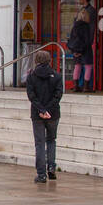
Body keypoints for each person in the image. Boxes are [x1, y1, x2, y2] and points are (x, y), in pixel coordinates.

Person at [25, 49, 63, 184]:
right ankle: (51, 167)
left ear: (36, 61)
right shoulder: (57, 76)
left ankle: (41, 174)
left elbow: (31, 96)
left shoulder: (31, 76)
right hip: (53, 114)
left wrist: (41, 109)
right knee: (51, 140)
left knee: (39, 144)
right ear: (49, 61)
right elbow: (58, 95)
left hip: (37, 114)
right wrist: (48, 109)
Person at [67, 8, 94, 92]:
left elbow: (71, 39)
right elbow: (87, 40)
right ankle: (86, 87)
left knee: (77, 67)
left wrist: (75, 51)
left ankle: (75, 86)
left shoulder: (74, 26)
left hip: (76, 50)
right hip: (85, 50)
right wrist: (82, 51)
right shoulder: (86, 27)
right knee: (88, 67)